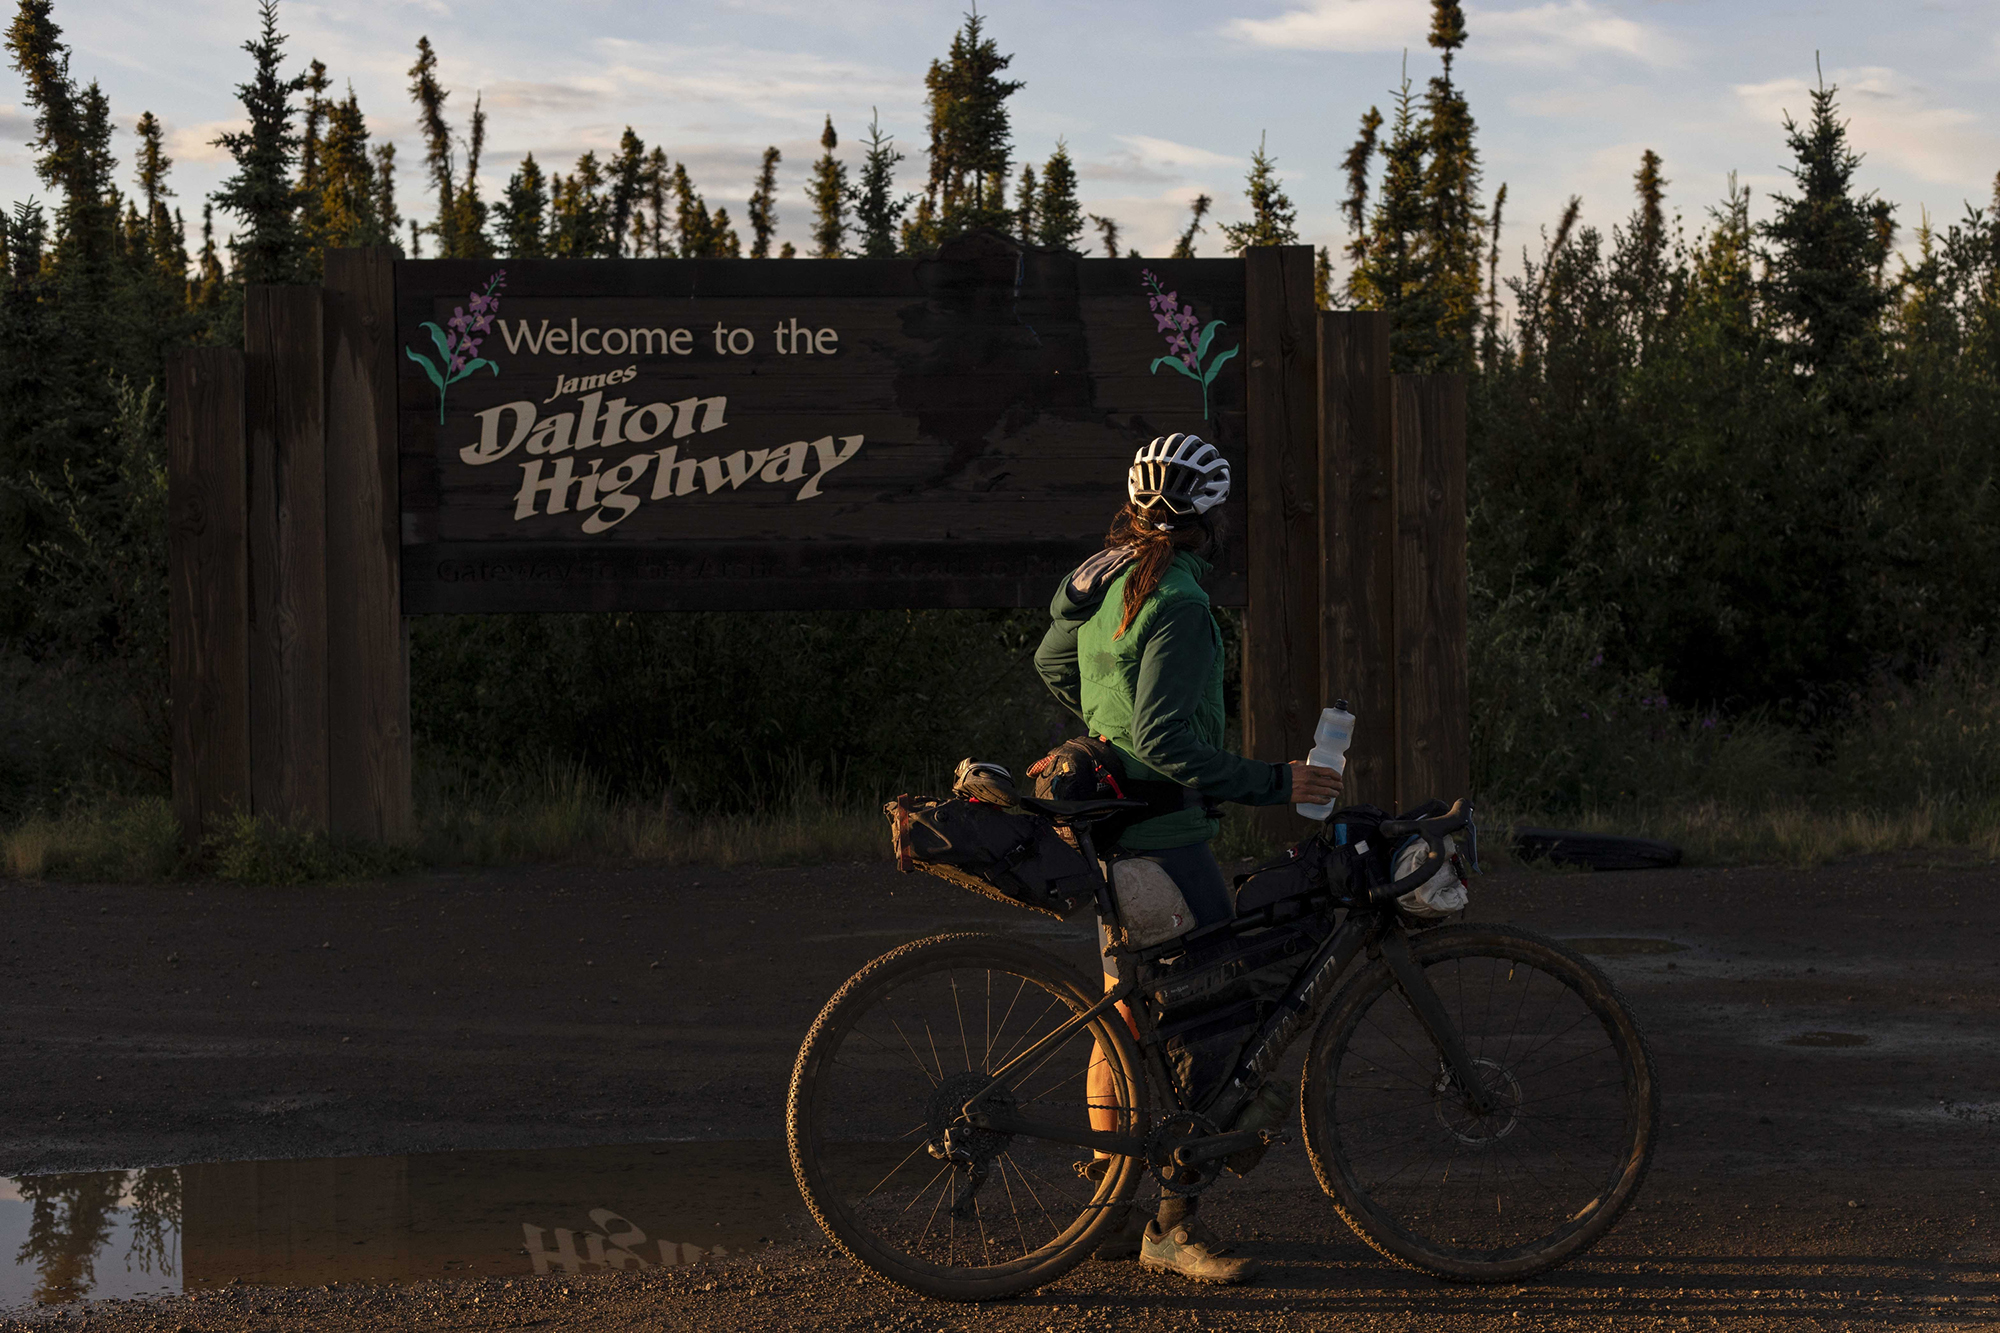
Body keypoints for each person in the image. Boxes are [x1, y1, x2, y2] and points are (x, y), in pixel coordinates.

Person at [1033, 433, 1342, 1285]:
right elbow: (1170, 737)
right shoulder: (1176, 603)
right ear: (1208, 515)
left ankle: (1106, 1207)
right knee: (1214, 1022)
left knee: (1122, 1019)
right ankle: (1170, 1224)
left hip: (1106, 833)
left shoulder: (1107, 588)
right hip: (1166, 839)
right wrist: (1275, 777)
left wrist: (1107, 724)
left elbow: (1052, 662)